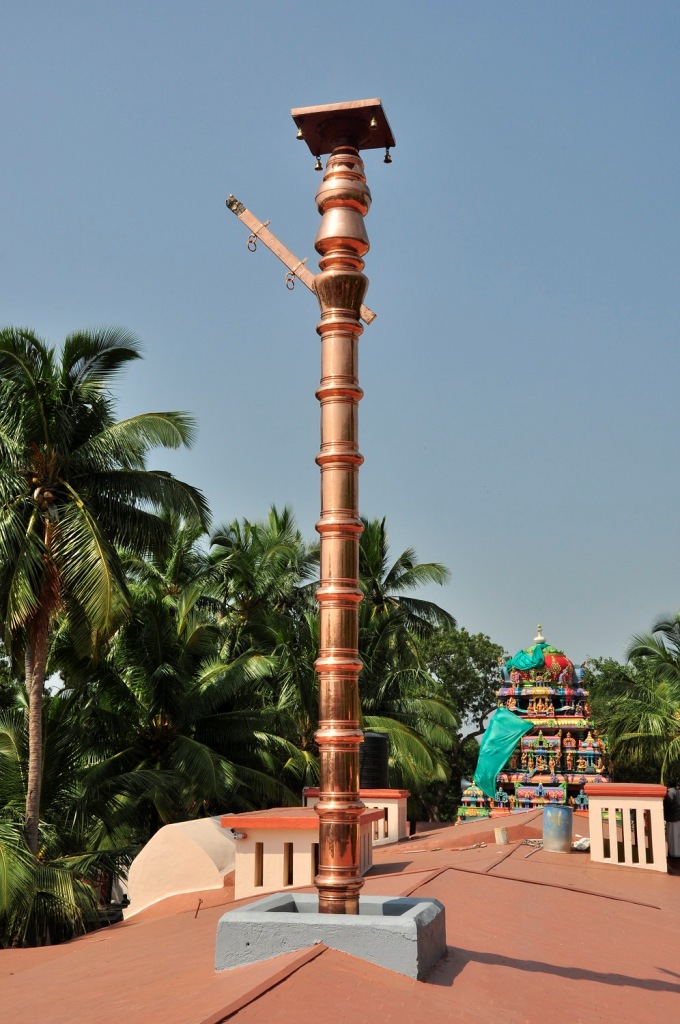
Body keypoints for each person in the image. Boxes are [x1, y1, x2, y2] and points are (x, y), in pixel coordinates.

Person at [663, 779, 680, 858]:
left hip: (672, 818)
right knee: (677, 835)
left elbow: (668, 802)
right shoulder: (678, 792)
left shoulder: (670, 793)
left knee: (671, 836)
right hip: (678, 817)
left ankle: (673, 853)